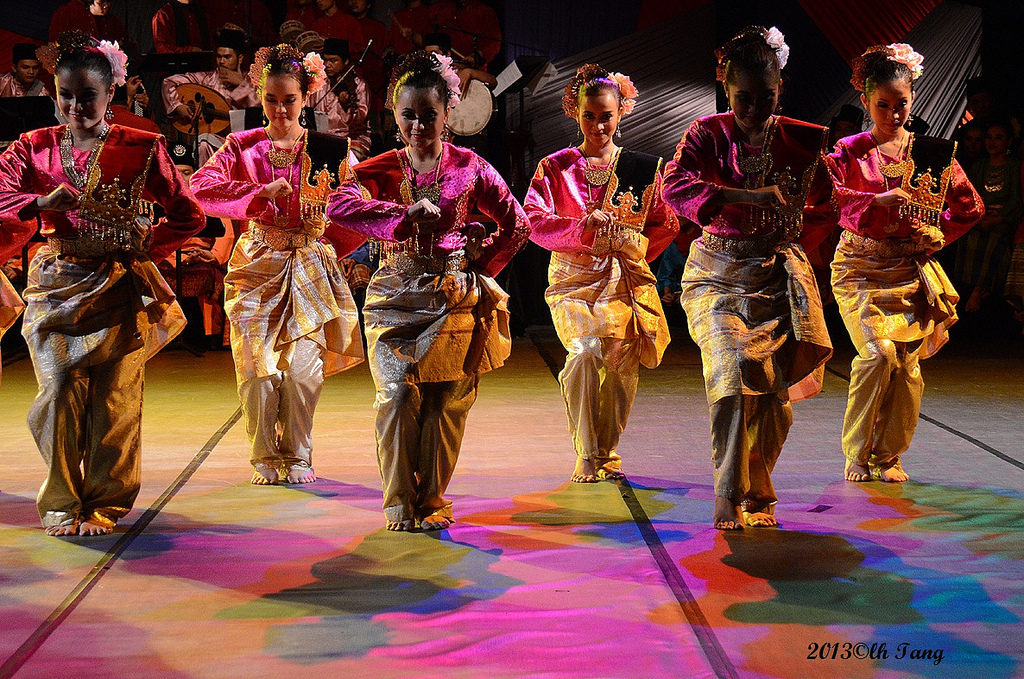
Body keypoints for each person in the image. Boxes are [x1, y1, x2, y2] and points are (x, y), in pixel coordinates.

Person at [0, 31, 204, 536]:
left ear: (109, 92)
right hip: (55, 285)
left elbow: (189, 214)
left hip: (119, 284)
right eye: (64, 95)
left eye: (86, 96)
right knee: (59, 391)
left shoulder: (141, 147)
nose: (73, 106)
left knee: (113, 399)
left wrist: (146, 243)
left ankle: (106, 503)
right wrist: (38, 206)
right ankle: (61, 499)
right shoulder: (34, 147)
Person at [326, 51, 529, 531]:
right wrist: (399, 218)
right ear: (394, 117)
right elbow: (339, 205)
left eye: (429, 115)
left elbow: (517, 225)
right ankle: (398, 498)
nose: (419, 125)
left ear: (447, 115)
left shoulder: (470, 166)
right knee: (396, 395)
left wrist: (482, 259)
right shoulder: (379, 168)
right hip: (394, 295)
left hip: (454, 294)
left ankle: (432, 498)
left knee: (445, 401)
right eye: (408, 116)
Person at [663, 26, 835, 530]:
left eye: (766, 98)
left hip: (776, 275)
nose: (754, 109)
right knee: (732, 376)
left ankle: (759, 483)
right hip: (716, 274)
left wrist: (796, 244)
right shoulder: (706, 134)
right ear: (725, 88)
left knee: (776, 394)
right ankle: (726, 489)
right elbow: (673, 185)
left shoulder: (800, 142)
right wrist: (744, 197)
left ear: (781, 88)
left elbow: (827, 205)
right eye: (743, 99)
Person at [190, 44, 364, 486]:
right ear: (259, 96)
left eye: (289, 99)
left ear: (306, 96)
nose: (280, 110)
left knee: (304, 370)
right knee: (256, 368)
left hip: (309, 263)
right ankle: (263, 453)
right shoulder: (242, 146)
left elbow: (359, 206)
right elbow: (200, 186)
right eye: (271, 99)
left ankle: (299, 453)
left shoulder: (330, 149)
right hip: (257, 264)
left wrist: (331, 246)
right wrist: (256, 195)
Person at [826, 44, 983, 484]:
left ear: (912, 101)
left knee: (908, 365)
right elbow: (826, 199)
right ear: (866, 102)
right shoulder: (849, 151)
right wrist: (874, 201)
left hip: (911, 269)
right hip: (861, 265)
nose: (893, 114)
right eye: (883, 106)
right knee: (878, 355)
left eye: (901, 106)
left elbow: (970, 207)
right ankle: (857, 452)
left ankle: (889, 454)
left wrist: (936, 232)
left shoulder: (932, 153)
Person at [524, 64, 678, 483]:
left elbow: (666, 222)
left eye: (606, 115)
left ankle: (606, 450)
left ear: (621, 112)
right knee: (586, 352)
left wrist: (633, 251)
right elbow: (533, 220)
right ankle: (587, 448)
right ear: (575, 112)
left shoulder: (643, 168)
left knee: (620, 362)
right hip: (573, 279)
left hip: (620, 279)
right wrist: (581, 230)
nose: (597, 125)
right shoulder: (555, 168)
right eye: (589, 115)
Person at [162, 28, 259, 165]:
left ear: (240, 58)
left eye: (227, 57)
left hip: (244, 145)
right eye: (219, 57)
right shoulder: (205, 79)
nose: (222, 62)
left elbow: (259, 107)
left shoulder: (252, 82)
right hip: (214, 141)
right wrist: (177, 105)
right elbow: (169, 82)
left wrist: (240, 84)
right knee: (203, 142)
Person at [956, 120, 1023, 312]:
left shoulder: (1015, 166)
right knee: (969, 239)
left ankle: (979, 290)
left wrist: (999, 218)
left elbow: (1016, 199)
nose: (992, 142)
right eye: (989, 137)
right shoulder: (979, 166)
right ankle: (967, 291)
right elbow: (971, 195)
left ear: (1009, 142)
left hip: (1003, 220)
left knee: (995, 239)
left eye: (998, 137)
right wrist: (978, 217)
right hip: (980, 217)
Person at [306, 38, 371, 158]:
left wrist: (346, 106)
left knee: (349, 156)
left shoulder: (359, 85)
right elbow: (308, 111)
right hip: (321, 136)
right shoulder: (318, 82)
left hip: (351, 138)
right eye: (325, 60)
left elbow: (360, 122)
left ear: (345, 61)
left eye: (333, 61)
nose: (327, 65)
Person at [49, 0, 125, 45]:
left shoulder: (113, 21)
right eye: (102, 2)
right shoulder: (67, 12)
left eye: (109, 1)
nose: (106, 6)